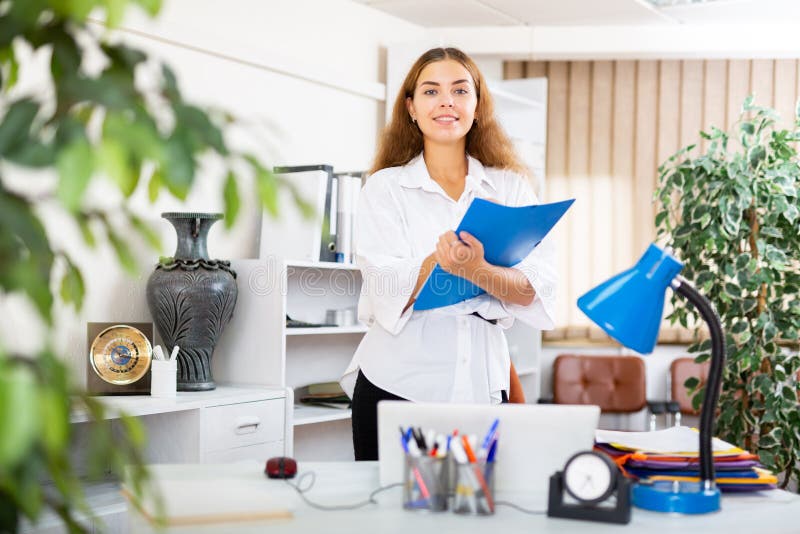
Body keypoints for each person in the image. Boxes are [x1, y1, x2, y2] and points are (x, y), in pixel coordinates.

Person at [340, 47, 557, 461]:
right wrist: (438, 262)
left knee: (475, 517)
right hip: (396, 386)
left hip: (482, 389)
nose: (446, 102)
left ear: (477, 107)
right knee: (388, 519)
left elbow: (536, 290)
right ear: (411, 108)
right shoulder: (384, 189)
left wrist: (476, 268)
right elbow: (384, 286)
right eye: (431, 91)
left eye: (460, 90)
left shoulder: (509, 188)